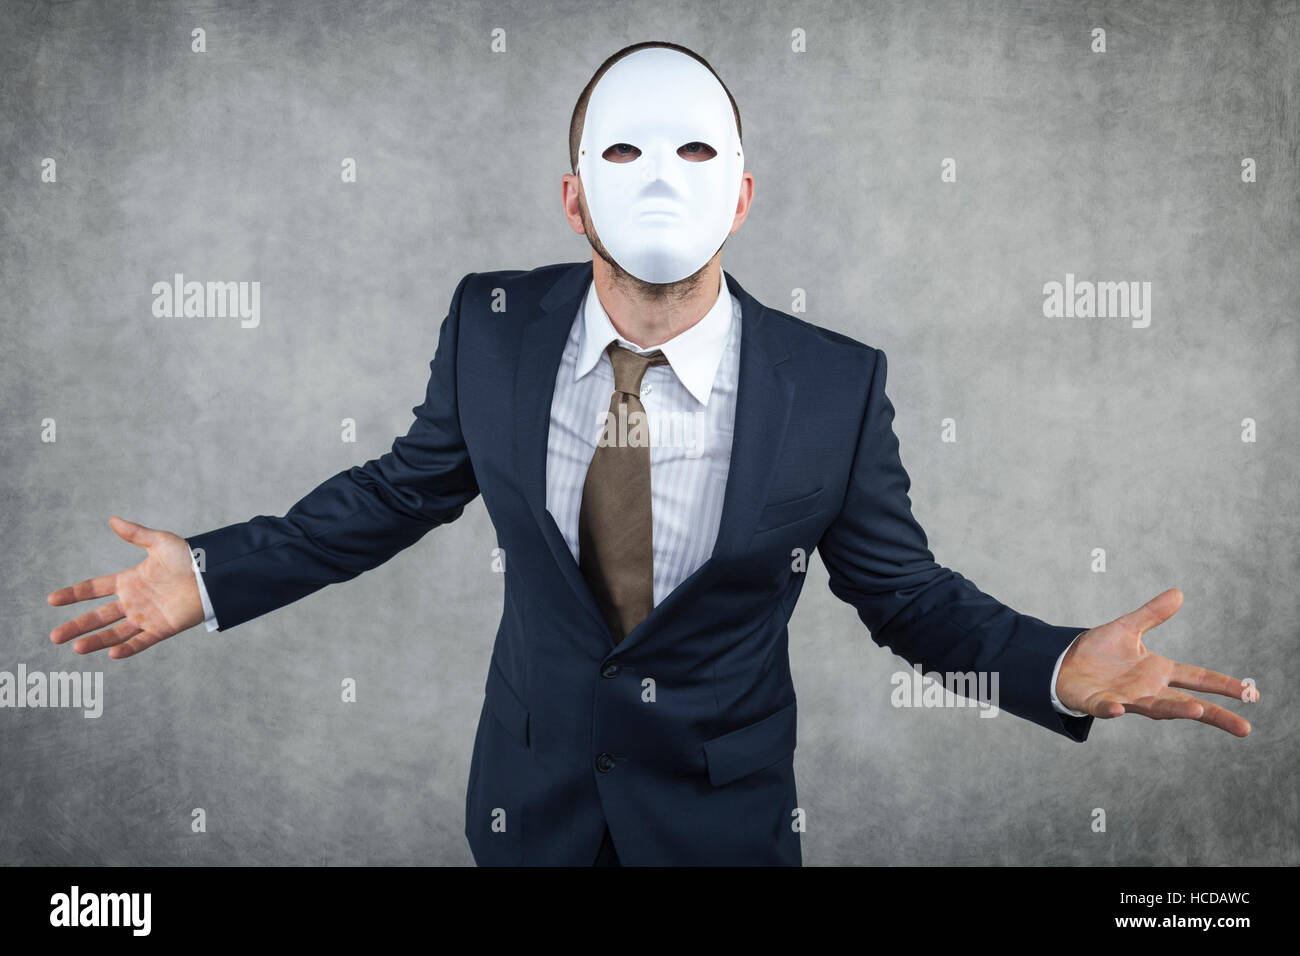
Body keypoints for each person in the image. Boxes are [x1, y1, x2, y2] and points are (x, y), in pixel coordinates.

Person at [47, 41, 1257, 867]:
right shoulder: (493, 327)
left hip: (719, 825)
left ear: (739, 196)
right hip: (532, 808)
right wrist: (208, 574)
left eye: (692, 157)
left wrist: (1052, 666)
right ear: (573, 200)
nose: (659, 183)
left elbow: (903, 597)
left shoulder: (835, 382)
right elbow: (397, 492)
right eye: (624, 157)